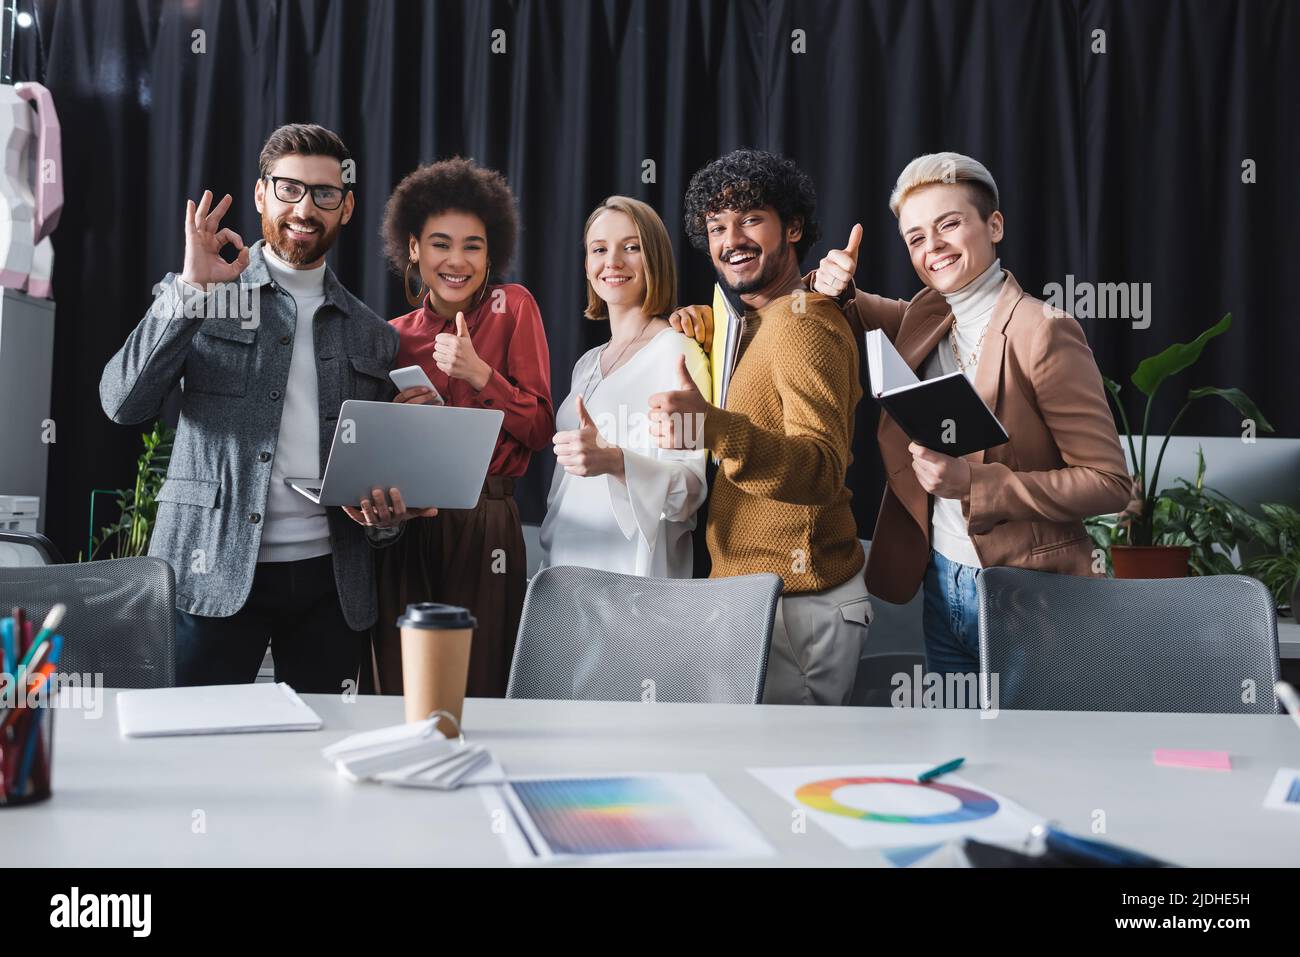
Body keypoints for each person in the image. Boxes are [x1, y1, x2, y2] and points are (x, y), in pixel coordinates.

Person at [675, 152, 1130, 689]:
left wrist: (977, 484)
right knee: (957, 755)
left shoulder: (1044, 330)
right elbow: (838, 311)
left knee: (1026, 762)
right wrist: (828, 284)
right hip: (940, 580)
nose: (932, 247)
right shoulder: (929, 313)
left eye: (949, 225)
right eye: (915, 238)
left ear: (995, 225)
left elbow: (1109, 483)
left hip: (1026, 593)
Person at [100, 123, 430, 691]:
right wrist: (190, 294)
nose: (305, 208)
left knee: (314, 763)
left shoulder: (373, 335)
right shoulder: (202, 292)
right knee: (197, 757)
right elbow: (123, 404)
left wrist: (384, 521)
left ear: (345, 208)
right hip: (210, 573)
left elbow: (376, 493)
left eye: (324, 194)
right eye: (289, 189)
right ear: (261, 195)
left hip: (331, 586)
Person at [648, 148, 872, 707]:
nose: (732, 239)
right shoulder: (757, 323)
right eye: (717, 226)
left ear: (792, 227)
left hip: (800, 602)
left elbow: (822, 467)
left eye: (750, 219)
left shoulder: (803, 323)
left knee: (790, 782)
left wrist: (715, 428)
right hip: (760, 597)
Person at [373, 157, 553, 698]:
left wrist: (481, 375)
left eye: (472, 245)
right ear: (413, 249)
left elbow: (541, 428)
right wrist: (398, 424)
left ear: (491, 251)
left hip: (486, 525)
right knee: (400, 683)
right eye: (440, 243)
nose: (457, 260)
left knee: (481, 685)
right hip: (408, 526)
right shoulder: (391, 336)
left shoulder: (514, 307)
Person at [539, 196, 709, 577]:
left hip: (632, 580)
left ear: (656, 259)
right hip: (567, 568)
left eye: (631, 247)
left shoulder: (679, 353)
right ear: (586, 265)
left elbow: (690, 492)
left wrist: (616, 462)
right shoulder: (587, 363)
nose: (612, 261)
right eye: (599, 249)